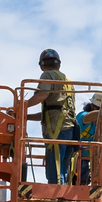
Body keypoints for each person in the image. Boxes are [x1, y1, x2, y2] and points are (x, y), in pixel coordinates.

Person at [25, 49, 77, 184]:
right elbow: (54, 109)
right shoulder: (67, 81)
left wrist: (21, 106)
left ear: (41, 66)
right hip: (69, 129)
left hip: (56, 130)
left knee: (54, 168)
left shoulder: (47, 75)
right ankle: (63, 193)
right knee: (63, 168)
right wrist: (27, 116)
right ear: (59, 64)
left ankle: (55, 196)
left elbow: (42, 95)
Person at [75, 95, 102, 185]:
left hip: (88, 158)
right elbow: (86, 118)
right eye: (97, 108)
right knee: (79, 178)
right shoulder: (83, 115)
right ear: (92, 106)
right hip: (76, 157)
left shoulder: (97, 124)